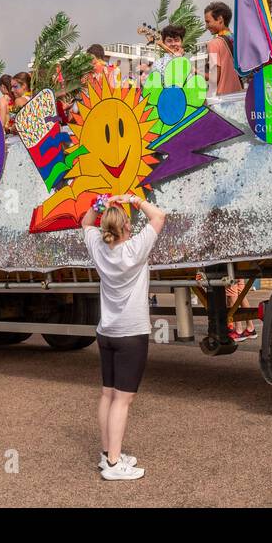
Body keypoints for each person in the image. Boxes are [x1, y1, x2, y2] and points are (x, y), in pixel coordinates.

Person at [82, 193, 165, 481]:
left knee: (108, 394)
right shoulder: (134, 249)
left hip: (106, 333)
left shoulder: (98, 248)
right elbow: (159, 216)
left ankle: (108, 455)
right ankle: (115, 465)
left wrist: (99, 205)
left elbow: (84, 222)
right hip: (131, 334)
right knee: (122, 400)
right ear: (127, 227)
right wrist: (133, 198)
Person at [203, 1, 244, 97]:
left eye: (208, 22)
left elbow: (214, 78)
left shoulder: (214, 44)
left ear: (220, 19)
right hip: (238, 95)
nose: (206, 26)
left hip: (222, 99)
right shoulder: (236, 40)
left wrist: (195, 71)